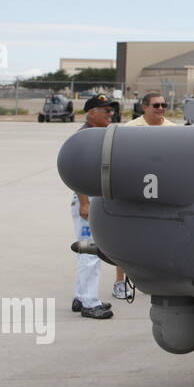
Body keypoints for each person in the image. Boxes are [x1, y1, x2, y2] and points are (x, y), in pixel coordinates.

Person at [114, 91, 174, 299]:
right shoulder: (130, 130)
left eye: (163, 105)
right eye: (156, 106)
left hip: (163, 191)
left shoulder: (174, 130)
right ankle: (121, 282)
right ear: (145, 107)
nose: (160, 110)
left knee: (163, 237)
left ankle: (160, 280)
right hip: (136, 190)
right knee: (127, 238)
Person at [70, 94, 116, 319]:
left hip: (93, 200)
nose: (110, 113)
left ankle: (81, 297)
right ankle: (90, 303)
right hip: (87, 201)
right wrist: (85, 203)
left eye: (111, 110)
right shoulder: (84, 137)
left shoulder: (98, 135)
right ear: (91, 113)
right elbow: (77, 172)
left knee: (88, 253)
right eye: (104, 110)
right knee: (91, 253)